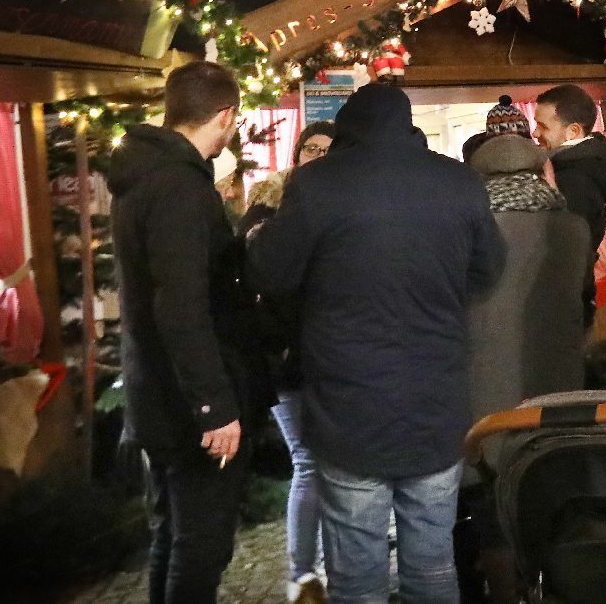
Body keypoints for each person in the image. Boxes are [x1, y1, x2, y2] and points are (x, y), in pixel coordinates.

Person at [248, 83, 505, 604]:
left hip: (349, 405)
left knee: (356, 571)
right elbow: (490, 268)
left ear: (347, 128)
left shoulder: (318, 184)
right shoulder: (457, 181)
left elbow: (271, 272)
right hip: (436, 400)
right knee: (433, 564)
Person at [111, 61, 270, 604]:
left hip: (157, 390)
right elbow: (180, 305)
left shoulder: (145, 172)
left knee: (173, 536)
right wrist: (215, 405)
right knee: (201, 546)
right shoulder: (178, 184)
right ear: (226, 115)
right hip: (186, 402)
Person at [463, 132, 592, 601]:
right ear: (542, 172)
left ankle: (502, 591)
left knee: (491, 502)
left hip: (481, 385)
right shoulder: (573, 228)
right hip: (555, 382)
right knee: (546, 487)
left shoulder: (469, 232)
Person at [238, 120, 336, 604]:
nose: (319, 156)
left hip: (336, 359)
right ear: (296, 155)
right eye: (311, 148)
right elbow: (253, 283)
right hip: (288, 359)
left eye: (328, 150)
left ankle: (334, 566)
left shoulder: (346, 208)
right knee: (309, 460)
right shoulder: (267, 208)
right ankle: (302, 573)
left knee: (336, 463)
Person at [533, 84, 606, 261]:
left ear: (573, 131)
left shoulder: (574, 180)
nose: (535, 133)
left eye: (543, 126)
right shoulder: (573, 168)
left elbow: (564, 255)